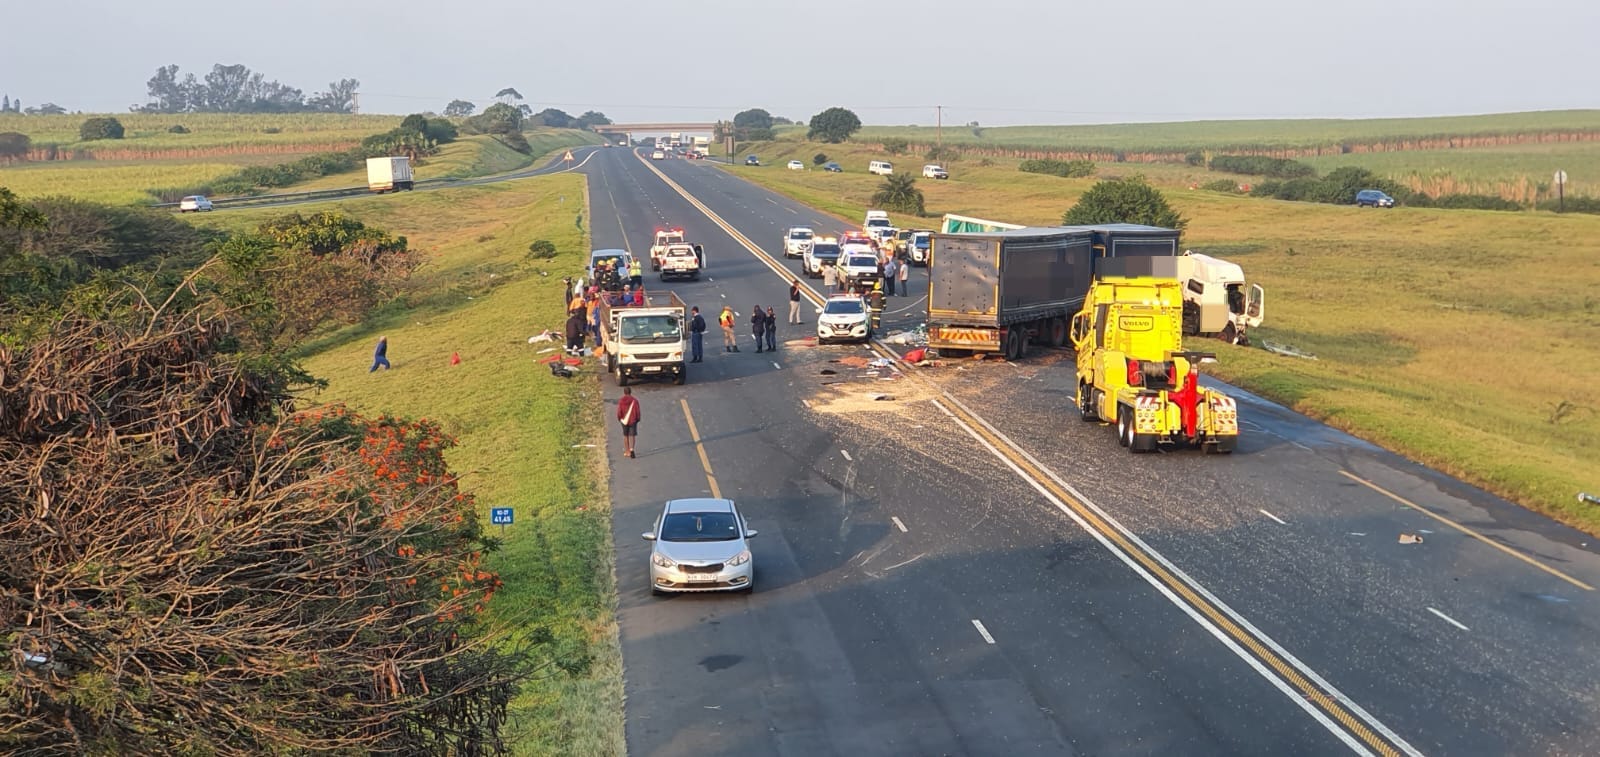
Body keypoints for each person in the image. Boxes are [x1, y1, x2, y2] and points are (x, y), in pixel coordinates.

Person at [616, 387, 641, 459]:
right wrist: (638, 419)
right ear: (630, 392)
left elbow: (619, 411)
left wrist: (619, 418)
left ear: (624, 392)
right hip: (633, 420)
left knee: (625, 435)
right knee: (632, 435)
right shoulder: (635, 401)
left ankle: (627, 452)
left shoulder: (621, 401)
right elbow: (637, 411)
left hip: (624, 420)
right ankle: (632, 449)